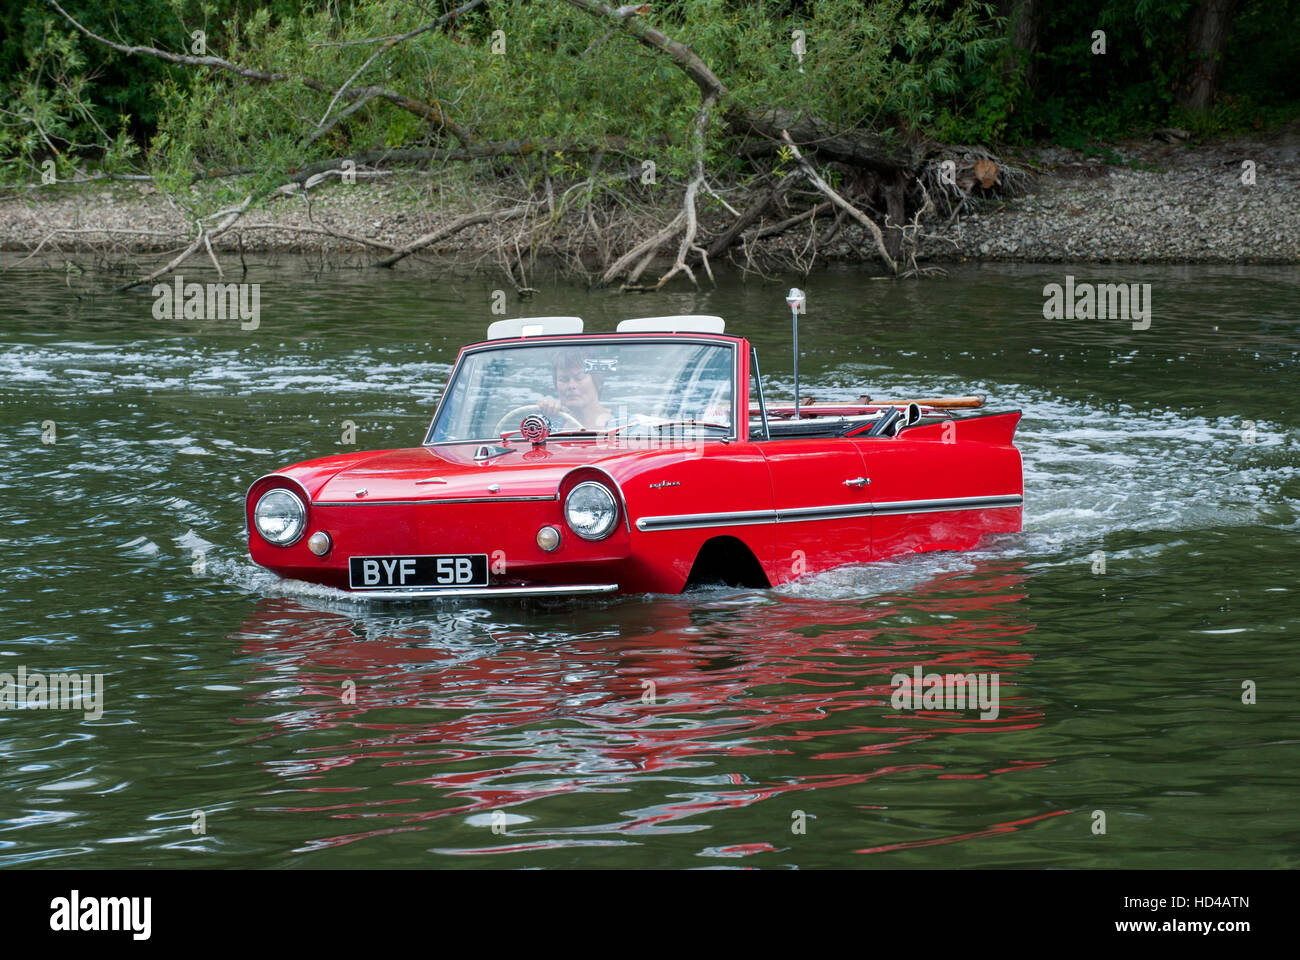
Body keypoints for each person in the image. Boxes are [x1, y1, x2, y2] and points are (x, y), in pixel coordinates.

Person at [538, 350, 612, 429]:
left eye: (579, 378)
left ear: (598, 382)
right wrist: (542, 419)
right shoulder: (548, 428)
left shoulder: (624, 425)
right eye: (563, 379)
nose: (571, 386)